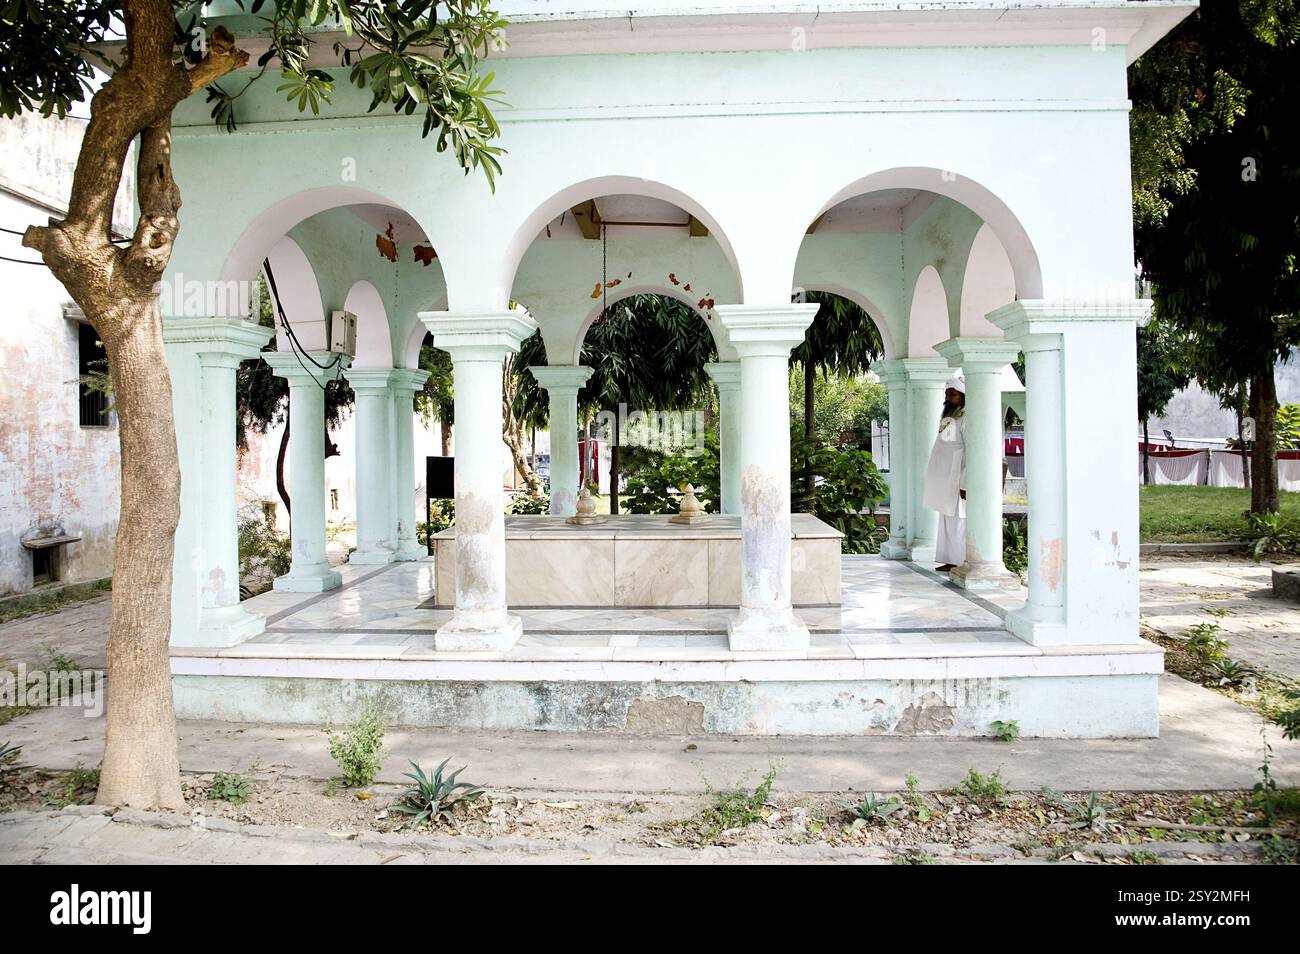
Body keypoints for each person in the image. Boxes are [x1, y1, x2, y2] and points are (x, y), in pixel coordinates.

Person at [922, 375, 966, 572]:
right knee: (946, 520)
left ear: (963, 396)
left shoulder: (967, 418)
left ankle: (960, 560)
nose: (947, 398)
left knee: (958, 521)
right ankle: (949, 559)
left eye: (952, 394)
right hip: (944, 479)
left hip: (957, 478)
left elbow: (971, 452)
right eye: (947, 393)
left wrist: (965, 482)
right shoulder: (950, 417)